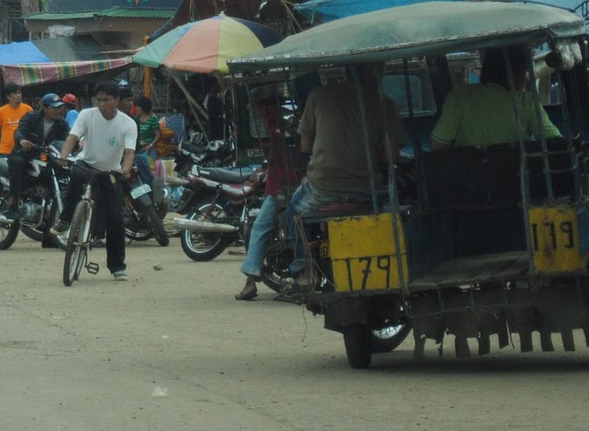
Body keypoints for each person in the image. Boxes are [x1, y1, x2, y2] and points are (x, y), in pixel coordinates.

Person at [290, 65, 406, 218]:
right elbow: (391, 157)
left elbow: (306, 146)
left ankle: (301, 243)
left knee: (291, 213)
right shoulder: (386, 103)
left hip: (321, 190)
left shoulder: (318, 95)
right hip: (366, 192)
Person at [55, 83, 137, 280]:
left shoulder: (128, 124)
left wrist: (125, 169)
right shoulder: (87, 115)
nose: (102, 104)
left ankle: (117, 266)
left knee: (116, 220)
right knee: (76, 175)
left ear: (116, 100)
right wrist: (63, 156)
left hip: (110, 171)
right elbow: (73, 137)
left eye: (107, 100)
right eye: (98, 100)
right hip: (86, 163)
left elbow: (129, 152)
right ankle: (65, 219)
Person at [237, 90, 308, 301]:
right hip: (290, 180)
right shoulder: (283, 120)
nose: (251, 109)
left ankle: (250, 282)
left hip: (285, 184)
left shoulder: (281, 122)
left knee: (261, 227)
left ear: (264, 105)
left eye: (254, 104)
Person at [429, 46, 562, 150]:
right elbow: (555, 143)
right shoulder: (527, 102)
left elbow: (437, 146)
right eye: (524, 72)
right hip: (519, 180)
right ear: (509, 75)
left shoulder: (459, 97)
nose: (526, 79)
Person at [8, 94, 68, 212]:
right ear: (45, 108)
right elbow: (19, 131)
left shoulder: (62, 124)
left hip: (48, 157)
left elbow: (68, 139)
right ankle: (13, 200)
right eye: (55, 108)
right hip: (25, 154)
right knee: (18, 162)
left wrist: (77, 145)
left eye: (60, 107)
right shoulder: (31, 117)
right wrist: (22, 140)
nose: (59, 111)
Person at [0, 84, 30, 159]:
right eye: (15, 93)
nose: (18, 95)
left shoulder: (28, 110)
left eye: (19, 93)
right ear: (8, 97)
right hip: (5, 151)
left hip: (22, 150)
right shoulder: (1, 111)